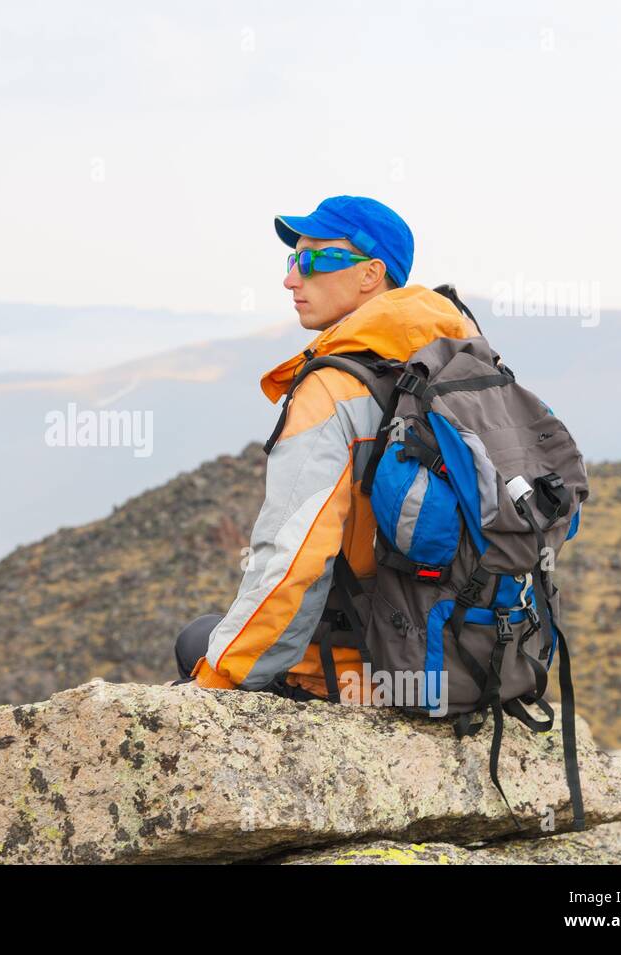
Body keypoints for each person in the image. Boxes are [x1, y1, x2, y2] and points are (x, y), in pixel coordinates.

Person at [173, 196, 479, 701]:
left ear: (370, 274)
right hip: (465, 655)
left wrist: (214, 685)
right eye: (292, 260)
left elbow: (293, 560)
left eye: (314, 259)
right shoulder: (465, 369)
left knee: (197, 642)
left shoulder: (333, 389)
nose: (292, 279)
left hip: (358, 671)